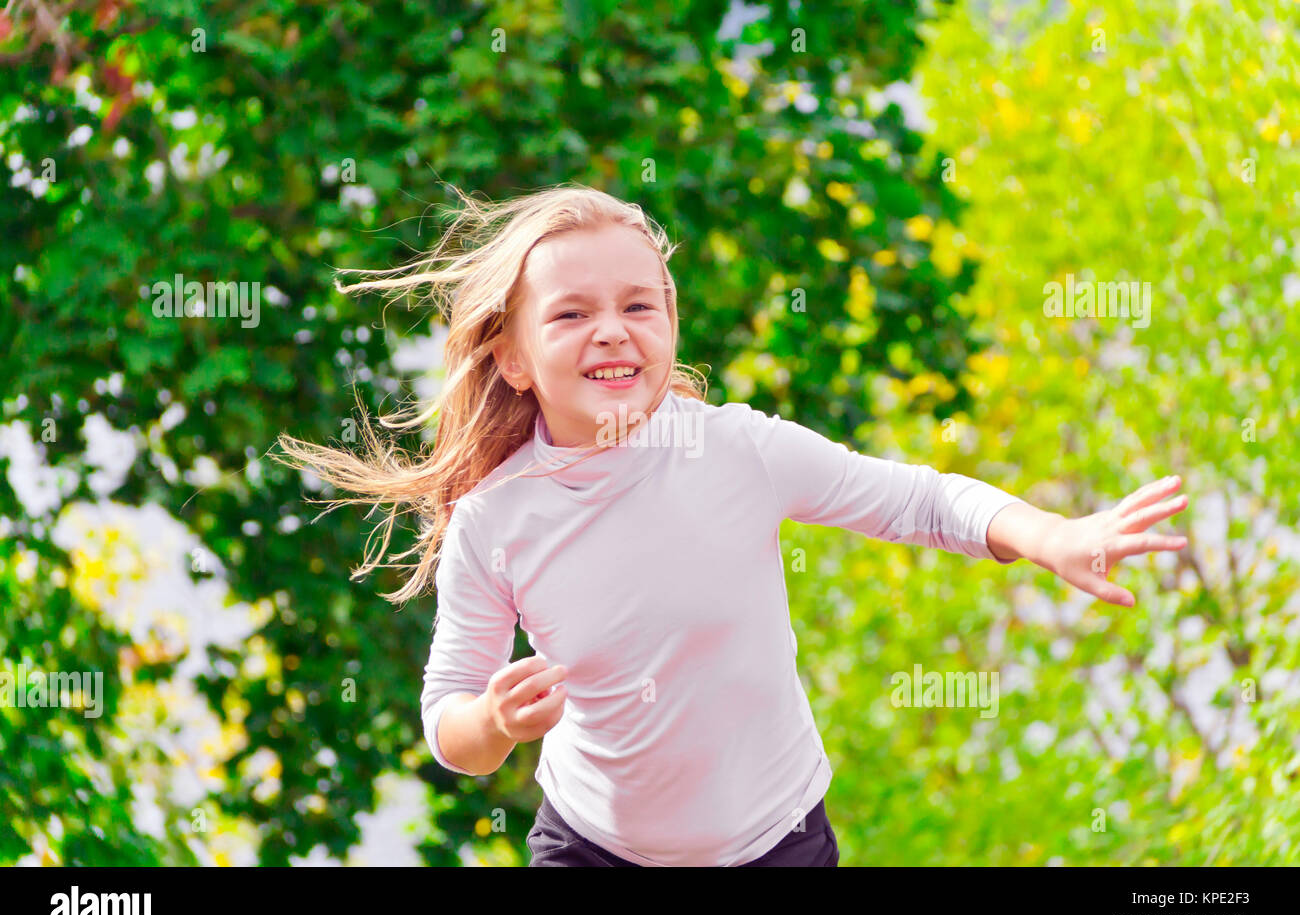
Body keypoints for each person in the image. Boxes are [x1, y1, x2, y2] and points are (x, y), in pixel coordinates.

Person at [273, 183, 1189, 866]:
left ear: (671, 322)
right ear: (512, 357)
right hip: (591, 848)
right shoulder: (495, 520)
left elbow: (922, 500)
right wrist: (494, 721)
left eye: (638, 305)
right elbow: (448, 722)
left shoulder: (738, 451)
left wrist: (1053, 537)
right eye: (571, 314)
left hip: (777, 841)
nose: (612, 330)